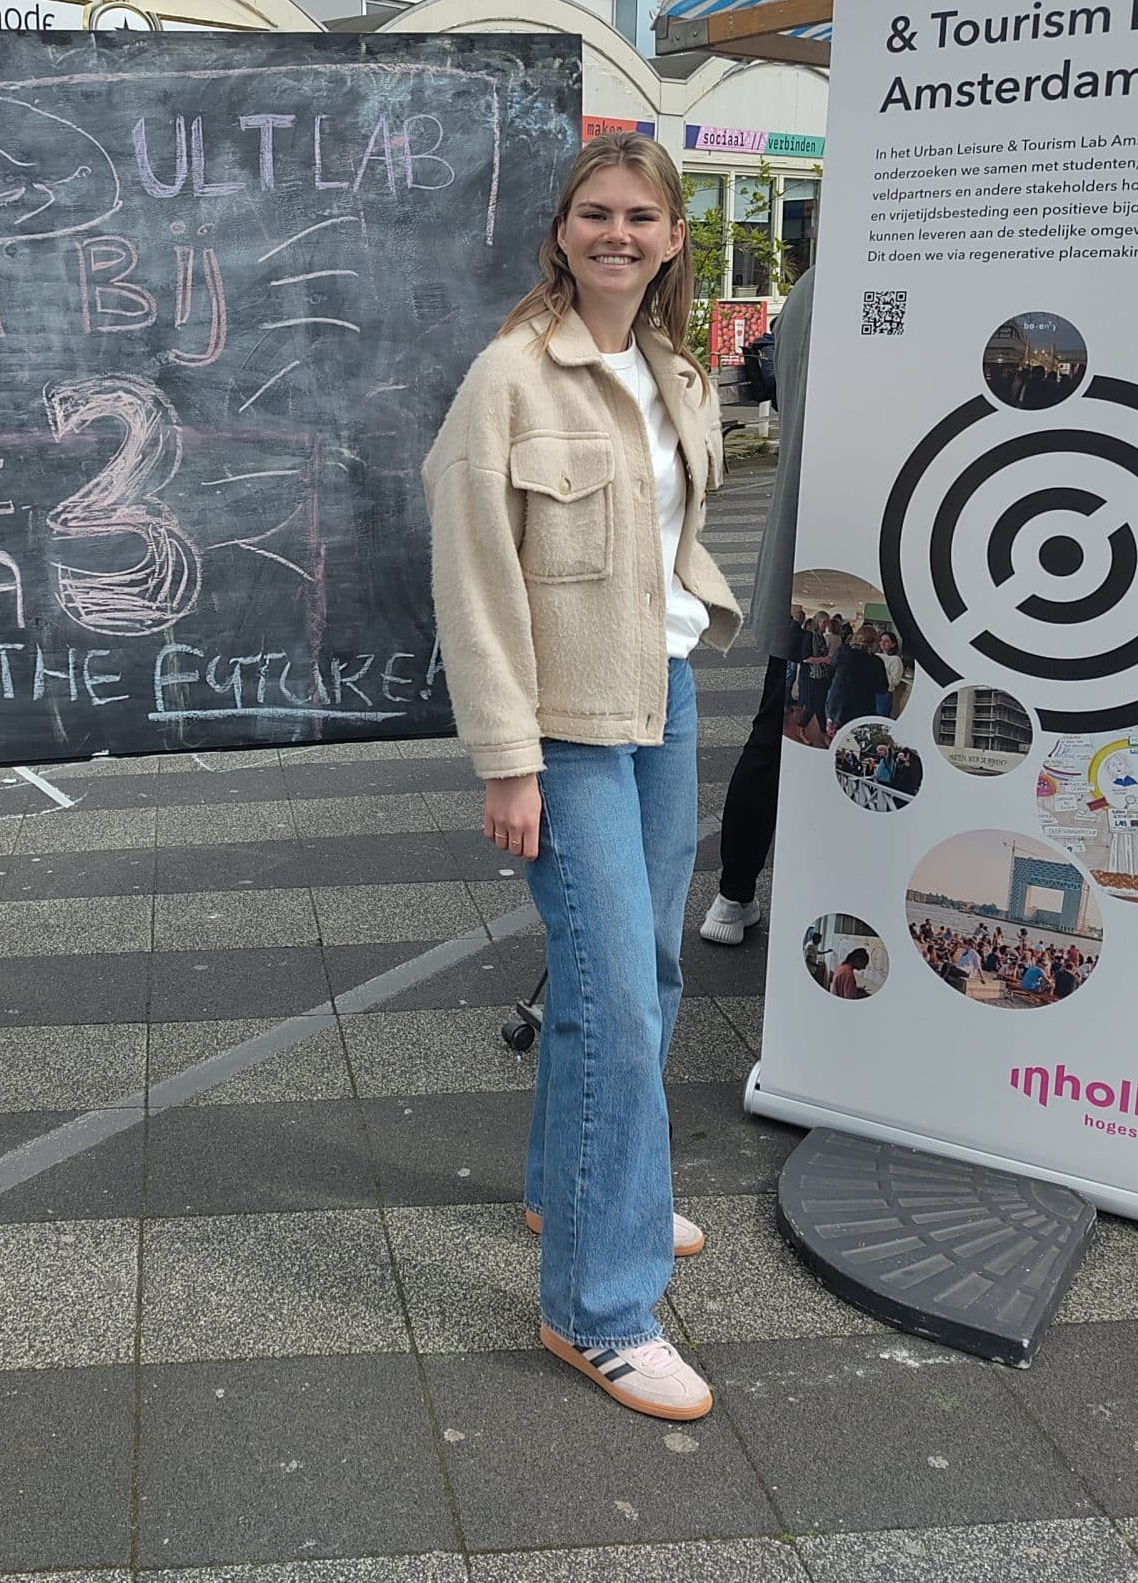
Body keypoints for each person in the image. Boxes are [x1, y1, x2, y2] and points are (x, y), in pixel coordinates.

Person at [423, 131, 741, 1421]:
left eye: (641, 217)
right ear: (562, 232)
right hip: (561, 722)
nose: (617, 233)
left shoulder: (670, 366)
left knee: (646, 970)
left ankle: (574, 1188)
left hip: (656, 694)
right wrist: (508, 760)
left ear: (671, 240)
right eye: (594, 213)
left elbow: (670, 535)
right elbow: (474, 583)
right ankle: (598, 1308)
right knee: (609, 987)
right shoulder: (509, 377)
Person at [701, 272, 815, 946]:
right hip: (868, 555)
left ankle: (731, 895)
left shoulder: (809, 288)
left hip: (800, 544)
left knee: (777, 728)